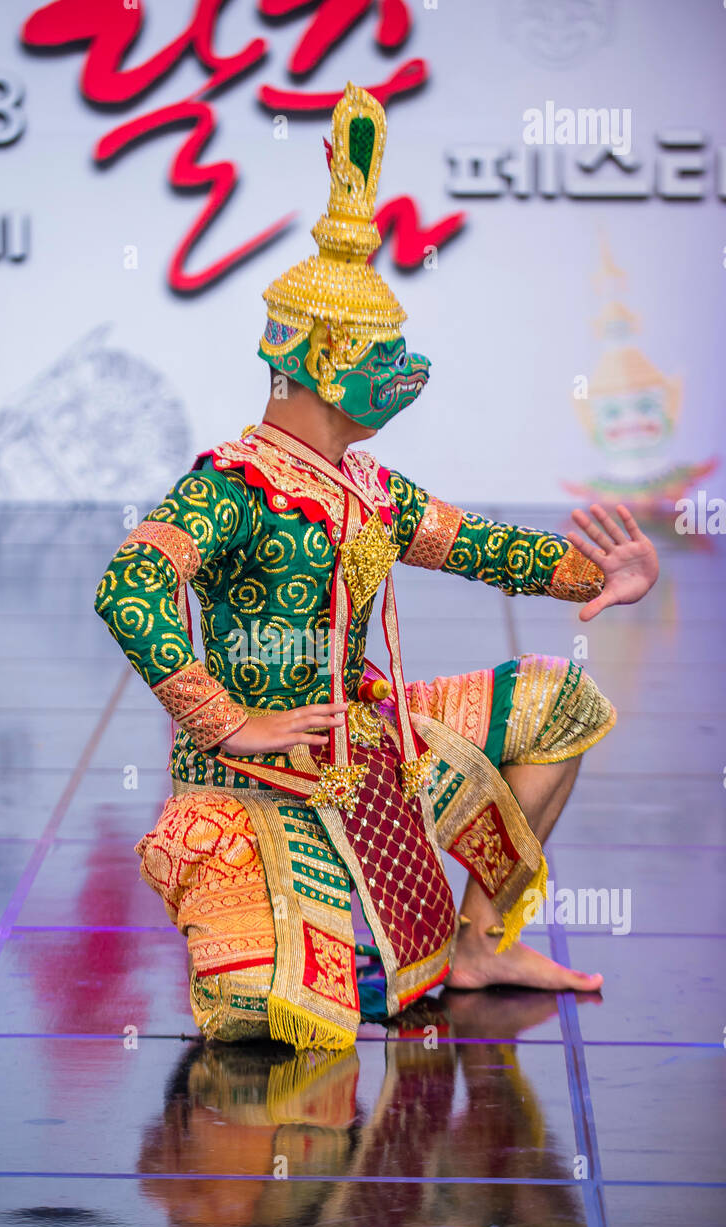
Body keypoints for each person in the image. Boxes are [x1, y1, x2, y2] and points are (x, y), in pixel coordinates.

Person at [95, 84, 658, 1050]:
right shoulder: (229, 489)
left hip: (372, 745)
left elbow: (479, 544)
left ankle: (478, 944)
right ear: (320, 357)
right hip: (251, 786)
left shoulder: (368, 488)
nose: (404, 368)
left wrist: (594, 577)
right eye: (384, 351)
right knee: (272, 1026)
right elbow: (127, 587)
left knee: (560, 702)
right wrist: (231, 723)